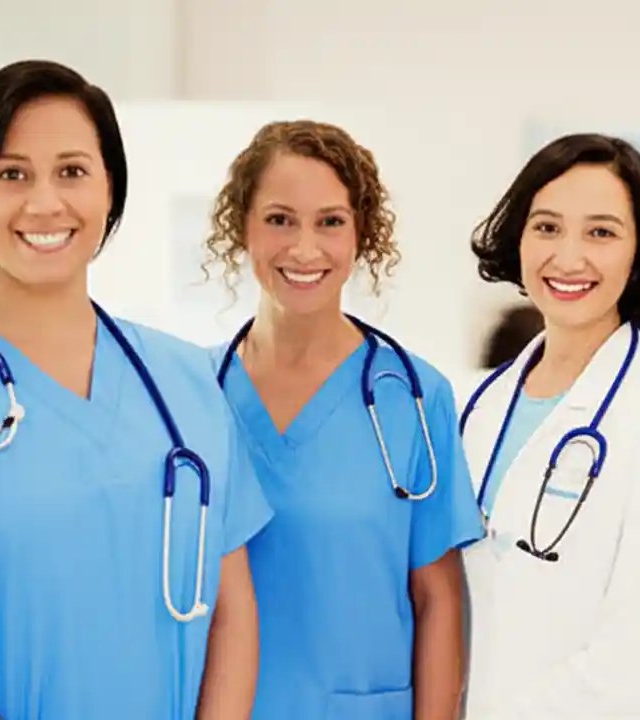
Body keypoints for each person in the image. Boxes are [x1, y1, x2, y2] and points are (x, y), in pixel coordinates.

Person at [0, 60, 273, 719]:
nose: (44, 203)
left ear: (110, 190)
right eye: (12, 174)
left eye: (72, 171)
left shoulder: (185, 383)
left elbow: (233, 618)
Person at [205, 119, 483, 720]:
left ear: (362, 234)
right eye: (280, 219)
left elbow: (438, 600)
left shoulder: (411, 397)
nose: (305, 248)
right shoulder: (195, 395)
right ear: (242, 228)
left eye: (330, 221)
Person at [459, 133, 640, 719]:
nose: (569, 256)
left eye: (601, 232)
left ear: (639, 254)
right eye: (547, 227)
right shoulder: (477, 406)